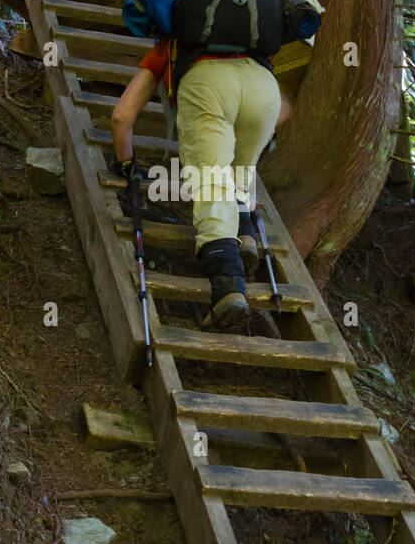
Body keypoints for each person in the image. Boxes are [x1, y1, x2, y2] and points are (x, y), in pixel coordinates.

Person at [110, 29, 289, 331]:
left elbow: (121, 117)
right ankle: (244, 232)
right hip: (264, 90)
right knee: (240, 169)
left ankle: (228, 290)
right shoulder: (249, 47)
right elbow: (283, 111)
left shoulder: (170, 48)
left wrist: (125, 165)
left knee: (210, 186)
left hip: (206, 88)